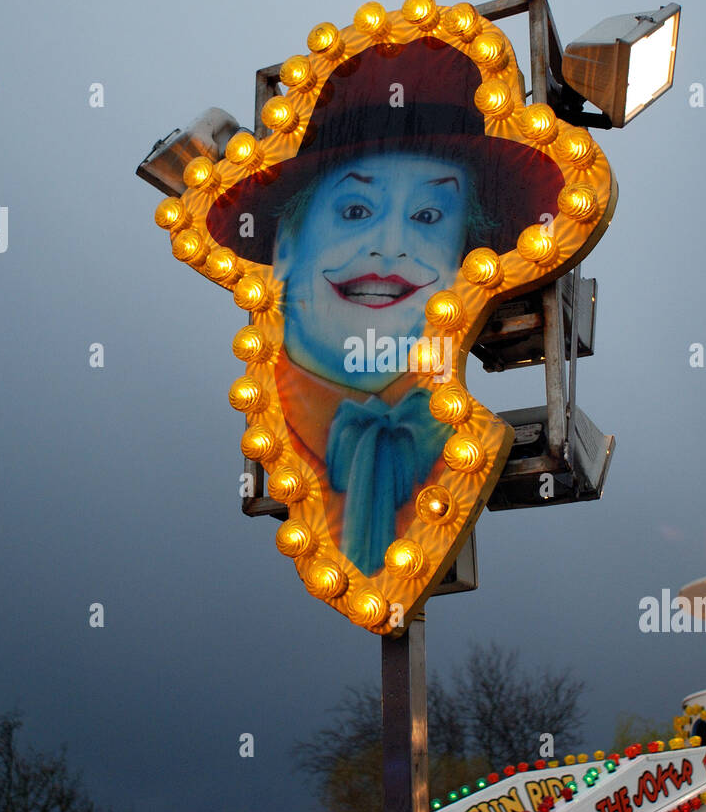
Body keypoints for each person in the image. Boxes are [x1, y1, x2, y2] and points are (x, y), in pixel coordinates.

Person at [206, 38, 563, 575]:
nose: (390, 246)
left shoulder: (463, 445)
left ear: (468, 260)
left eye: (427, 217)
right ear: (284, 244)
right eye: (355, 208)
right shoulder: (282, 448)